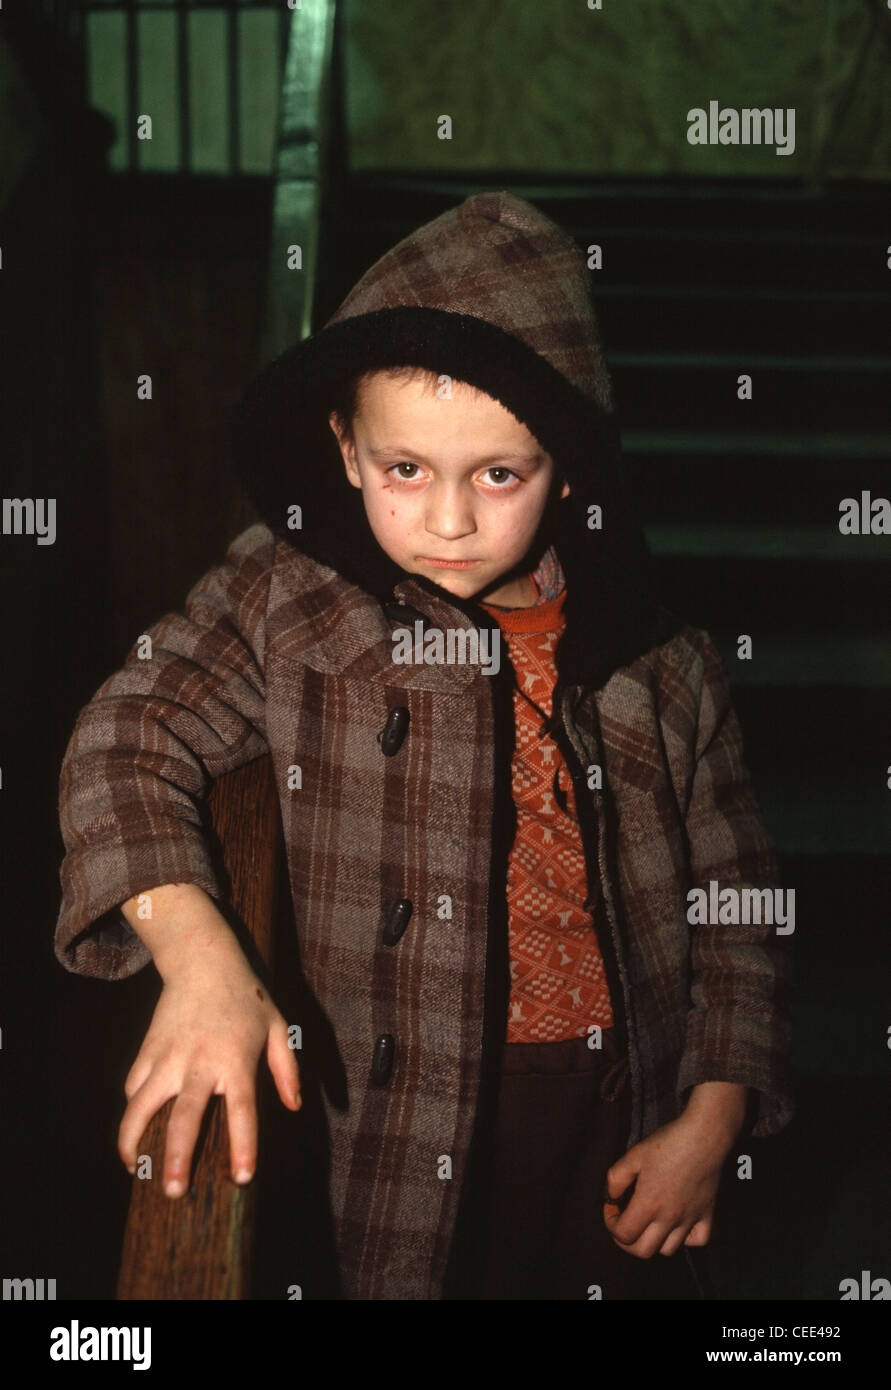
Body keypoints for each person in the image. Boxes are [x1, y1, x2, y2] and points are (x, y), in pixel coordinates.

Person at [54, 190, 794, 1301]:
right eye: (407, 469)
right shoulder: (292, 595)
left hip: (625, 1115)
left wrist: (720, 1101)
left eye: (501, 475)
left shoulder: (663, 655)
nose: (450, 521)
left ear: (570, 466)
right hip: (406, 1130)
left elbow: (739, 893)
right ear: (346, 449)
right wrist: (199, 957)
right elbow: (125, 737)